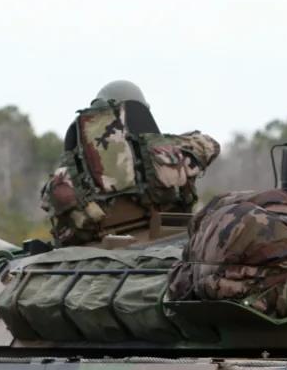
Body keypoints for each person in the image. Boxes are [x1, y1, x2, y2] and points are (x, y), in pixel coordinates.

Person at [41, 80, 220, 246]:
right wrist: (159, 139)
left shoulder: (68, 173)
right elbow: (209, 145)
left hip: (96, 249)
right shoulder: (166, 151)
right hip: (168, 237)